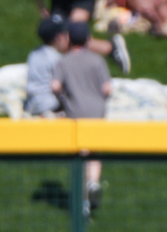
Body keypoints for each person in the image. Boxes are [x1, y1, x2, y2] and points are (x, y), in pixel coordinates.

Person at [53, 20, 111, 216]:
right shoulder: (98, 60)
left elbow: (54, 86)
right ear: (88, 39)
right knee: (94, 151)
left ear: (68, 39)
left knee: (80, 155)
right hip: (97, 111)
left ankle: (83, 201)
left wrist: (62, 99)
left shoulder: (63, 61)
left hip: (75, 111)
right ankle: (93, 183)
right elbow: (107, 88)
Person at [37, 0, 132, 73]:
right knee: (56, 37)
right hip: (59, 3)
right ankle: (109, 48)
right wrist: (41, 8)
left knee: (73, 35)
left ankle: (109, 48)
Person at [26, 17, 69, 119]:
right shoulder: (57, 59)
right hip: (50, 105)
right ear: (59, 37)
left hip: (32, 104)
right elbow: (62, 87)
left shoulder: (34, 53)